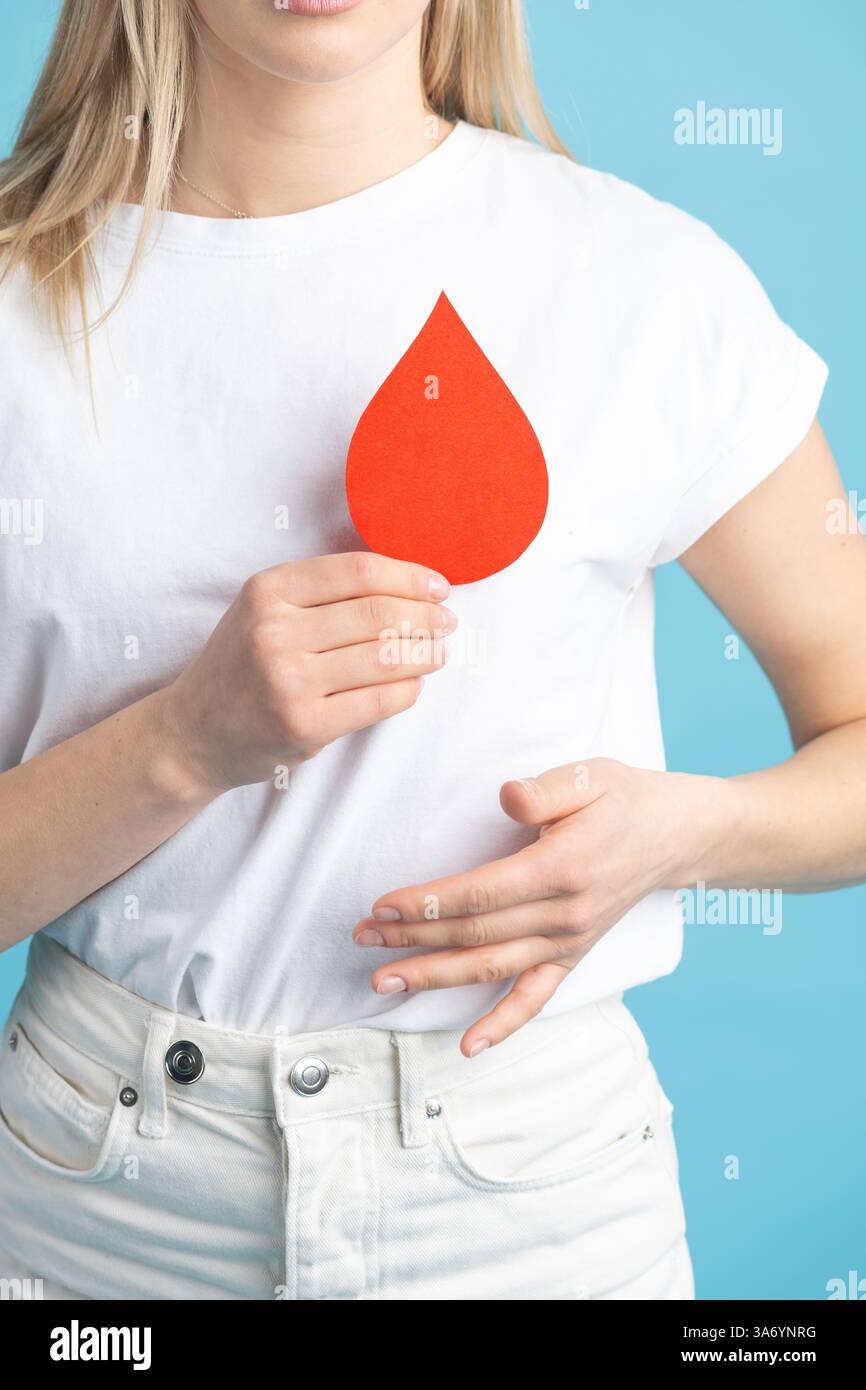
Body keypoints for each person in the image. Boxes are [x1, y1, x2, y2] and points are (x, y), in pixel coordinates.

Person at [0, 0, 862, 1301]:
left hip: (536, 1207)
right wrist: (182, 742)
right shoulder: (19, 300)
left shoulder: (643, 279)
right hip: (100, 1218)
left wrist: (685, 838)